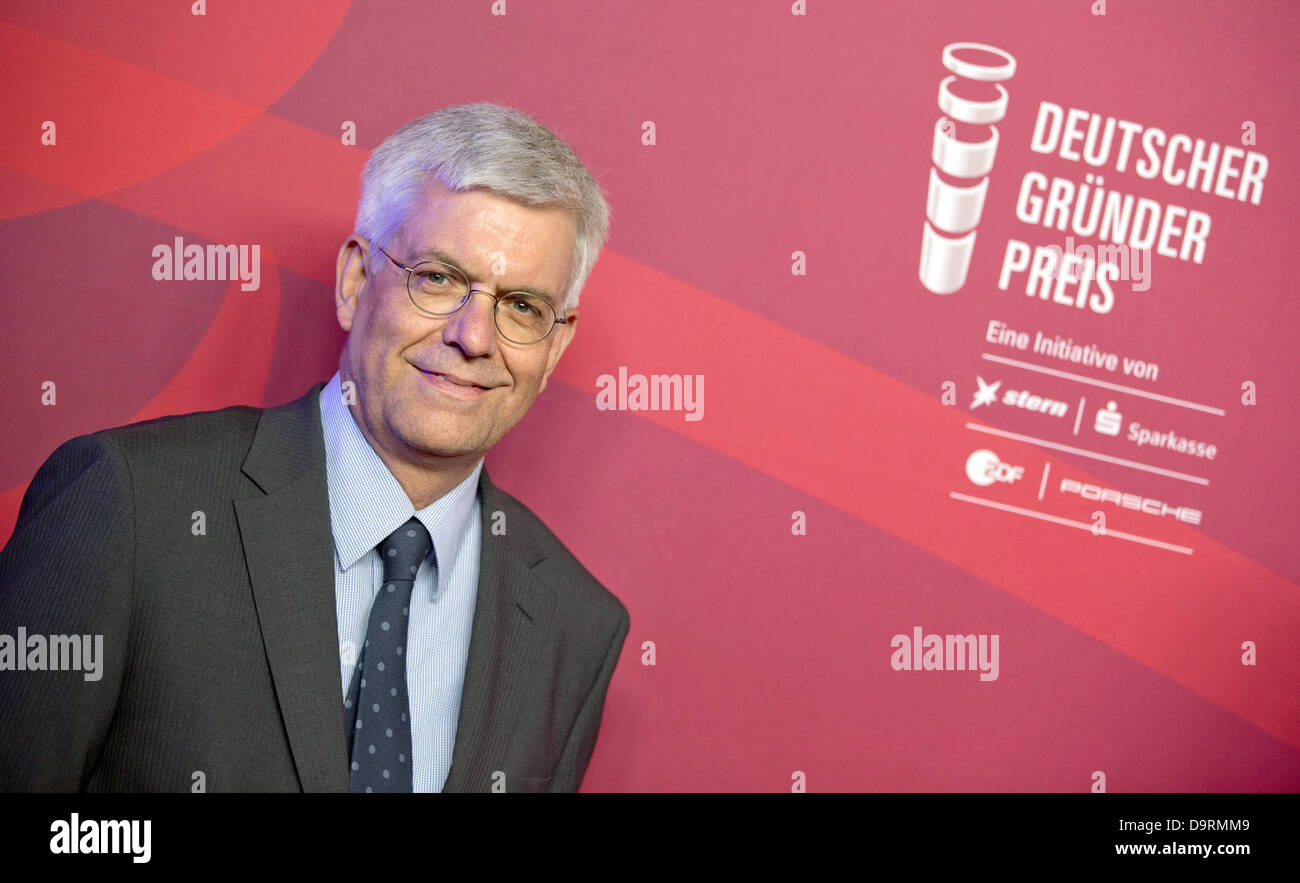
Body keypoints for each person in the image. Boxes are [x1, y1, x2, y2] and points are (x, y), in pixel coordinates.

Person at [0, 103, 629, 793]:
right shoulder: (130, 506)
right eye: (439, 277)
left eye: (522, 307)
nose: (474, 337)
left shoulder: (576, 627)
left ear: (555, 345)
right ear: (355, 281)